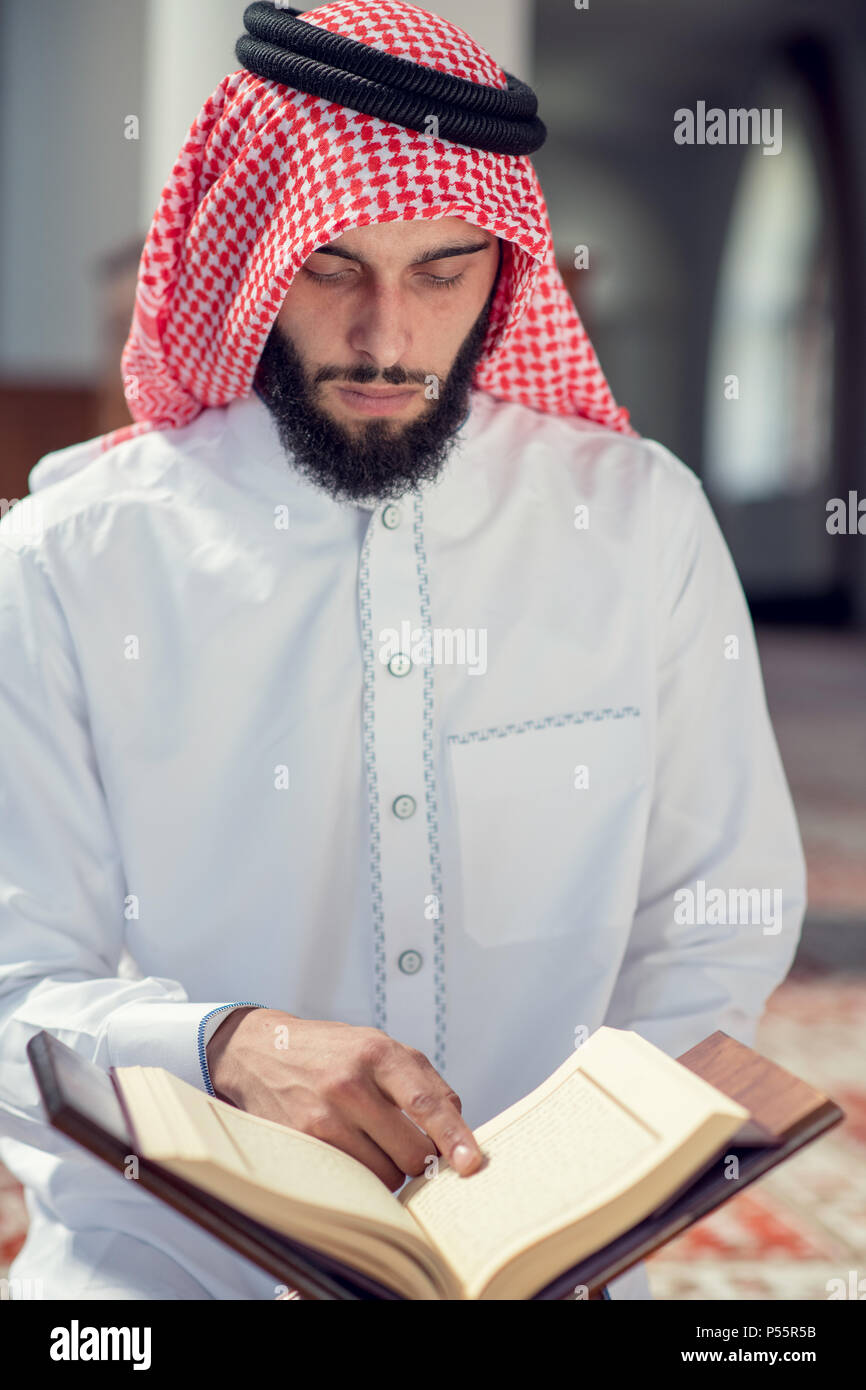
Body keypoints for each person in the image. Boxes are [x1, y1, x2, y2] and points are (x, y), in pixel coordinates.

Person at [0, 0, 806, 1301]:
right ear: (256, 251)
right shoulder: (68, 558)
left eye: (441, 271)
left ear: (504, 267)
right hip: (162, 1277)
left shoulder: (636, 521)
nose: (386, 339)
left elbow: (713, 916)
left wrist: (588, 1205)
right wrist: (224, 1049)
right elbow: (13, 986)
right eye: (332, 268)